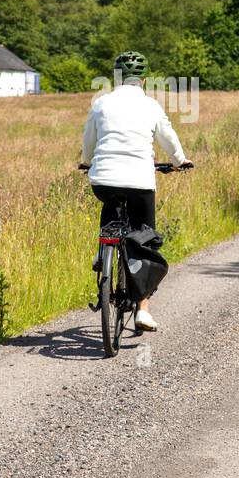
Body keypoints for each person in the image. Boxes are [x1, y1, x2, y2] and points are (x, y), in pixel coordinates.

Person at [78, 50, 192, 331]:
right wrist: (180, 161)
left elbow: (88, 139)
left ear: (117, 76)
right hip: (140, 181)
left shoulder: (101, 103)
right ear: (143, 78)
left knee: (111, 200)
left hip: (103, 180)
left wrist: (85, 161)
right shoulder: (150, 106)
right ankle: (142, 310)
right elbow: (167, 136)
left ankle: (103, 249)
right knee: (144, 237)